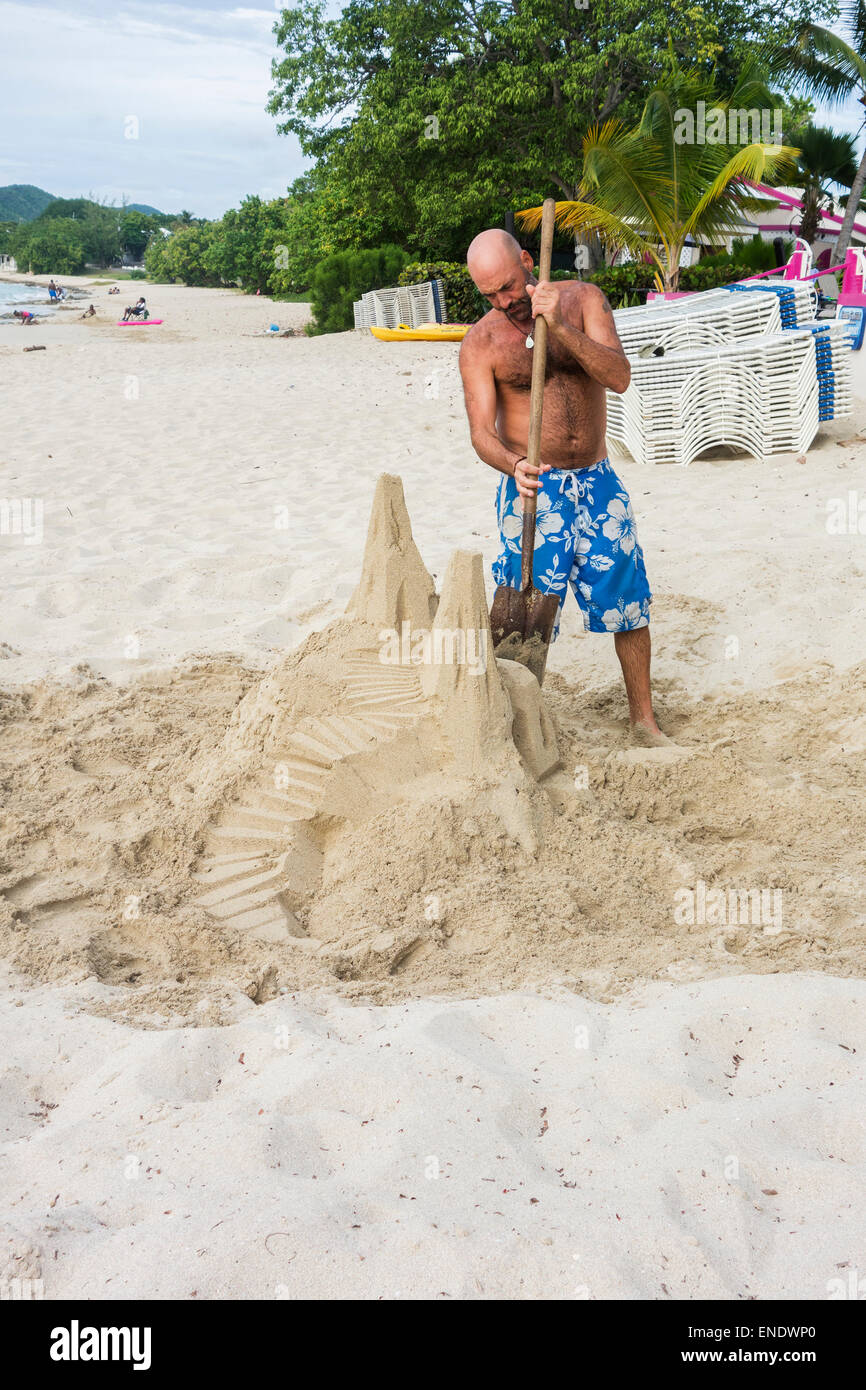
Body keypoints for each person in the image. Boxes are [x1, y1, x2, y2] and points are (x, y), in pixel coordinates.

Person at [459, 227, 665, 744]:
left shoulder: (584, 300)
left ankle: (643, 720)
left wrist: (560, 327)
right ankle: (514, 724)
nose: (505, 302)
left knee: (627, 602)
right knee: (524, 606)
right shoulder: (481, 342)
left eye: (509, 286)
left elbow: (618, 376)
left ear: (528, 261)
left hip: (598, 482)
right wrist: (512, 464)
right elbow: (481, 433)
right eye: (491, 295)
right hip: (533, 487)